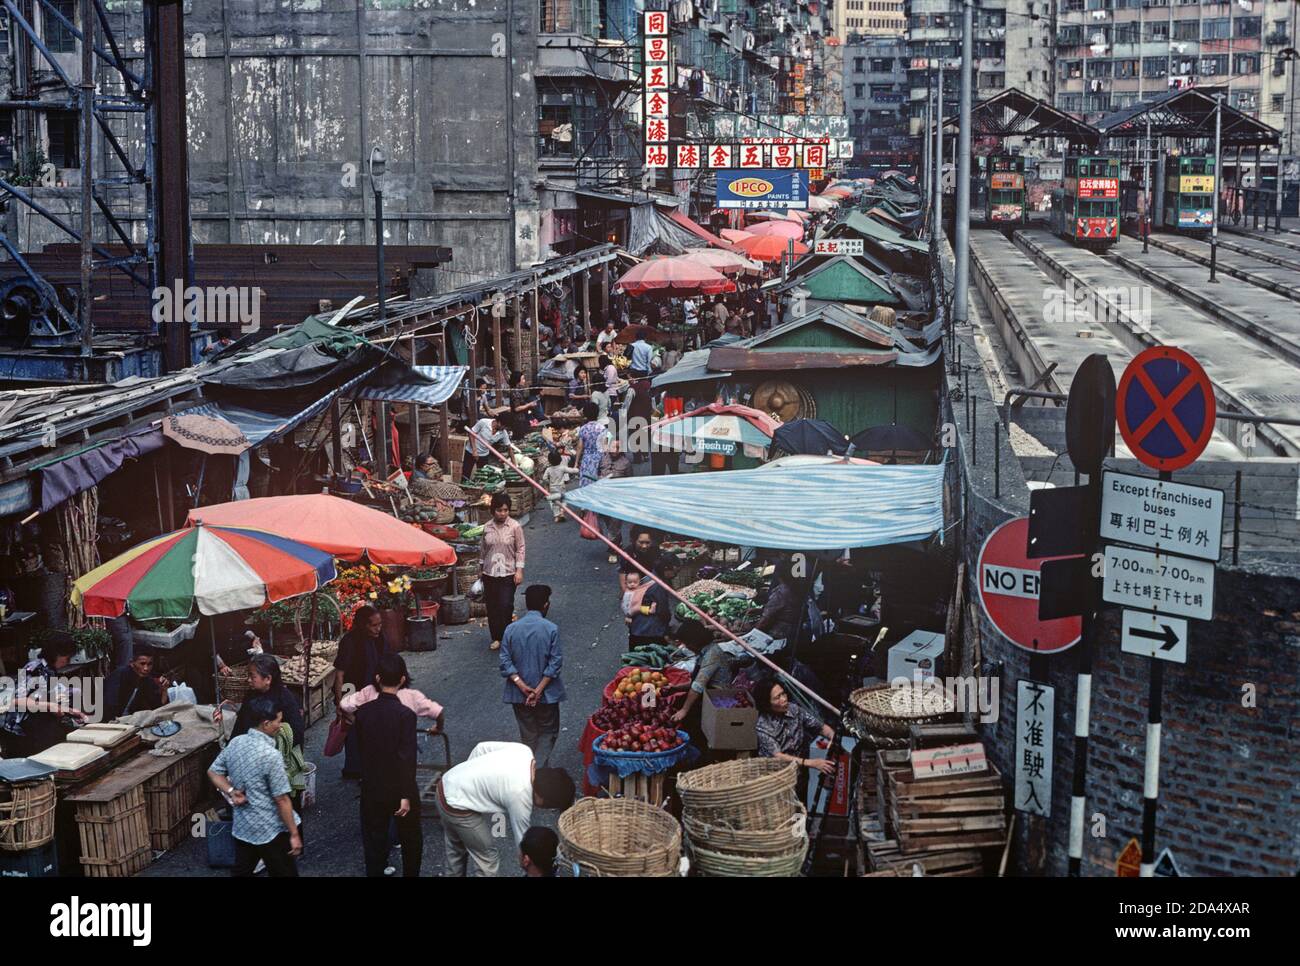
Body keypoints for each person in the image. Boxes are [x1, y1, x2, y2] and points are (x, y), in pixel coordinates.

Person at [435, 741, 574, 877]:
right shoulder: (520, 795)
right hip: (456, 806)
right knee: (487, 857)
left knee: (456, 847)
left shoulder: (524, 752)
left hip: (447, 782)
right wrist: (529, 866)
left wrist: (470, 779)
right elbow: (524, 842)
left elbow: (481, 748)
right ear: (543, 798)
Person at [207, 696, 303, 877]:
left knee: (241, 871)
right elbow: (281, 799)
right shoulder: (270, 755)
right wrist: (294, 833)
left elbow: (213, 772)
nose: (280, 725)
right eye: (278, 721)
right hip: (271, 828)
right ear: (266, 724)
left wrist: (231, 791)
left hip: (244, 826)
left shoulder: (236, 743)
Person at [354, 654, 423, 877]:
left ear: (377, 678)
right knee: (410, 838)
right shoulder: (406, 715)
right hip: (400, 787)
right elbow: (406, 757)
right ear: (403, 679)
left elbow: (361, 751)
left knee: (374, 840)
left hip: (372, 787)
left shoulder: (363, 713)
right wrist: (405, 794)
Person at [500, 584, 564, 766]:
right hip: (547, 693)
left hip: (518, 694)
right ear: (546, 605)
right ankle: (538, 770)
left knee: (528, 734)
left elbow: (505, 661)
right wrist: (538, 690)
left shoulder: (511, 629)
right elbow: (555, 664)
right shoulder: (551, 629)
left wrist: (521, 685)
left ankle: (529, 768)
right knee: (548, 731)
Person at [0, 631, 87, 758]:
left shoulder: (49, 671)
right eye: (66, 658)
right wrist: (48, 706)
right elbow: (15, 701)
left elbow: (52, 697)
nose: (67, 662)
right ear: (56, 654)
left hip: (35, 721)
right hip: (20, 728)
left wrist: (72, 711)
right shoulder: (33, 669)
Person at [753, 677, 836, 801]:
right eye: (777, 697)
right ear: (767, 704)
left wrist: (831, 737)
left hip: (800, 775)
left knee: (802, 808)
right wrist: (812, 763)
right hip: (778, 779)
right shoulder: (762, 727)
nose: (784, 699)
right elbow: (778, 756)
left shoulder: (794, 709)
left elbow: (820, 727)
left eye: (783, 693)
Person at [334, 605, 385, 780]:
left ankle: (370, 768)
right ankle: (355, 769)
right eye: (374, 625)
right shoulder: (349, 642)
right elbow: (339, 674)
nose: (378, 628)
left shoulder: (379, 638)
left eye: (380, 624)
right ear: (363, 625)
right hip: (353, 692)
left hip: (374, 692)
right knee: (353, 731)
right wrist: (340, 703)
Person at [666, 619, 741, 732]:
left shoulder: (712, 654)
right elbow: (695, 681)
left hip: (718, 699)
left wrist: (684, 711)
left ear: (693, 642)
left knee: (689, 722)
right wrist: (675, 687)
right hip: (707, 693)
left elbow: (698, 686)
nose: (686, 647)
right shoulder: (704, 652)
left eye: (686, 644)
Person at [231, 654, 306, 751]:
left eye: (253, 676)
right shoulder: (250, 696)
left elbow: (297, 733)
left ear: (268, 679)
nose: (248, 680)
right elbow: (240, 725)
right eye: (248, 675)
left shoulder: (285, 699)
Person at [481, 492, 526, 652]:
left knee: (506, 605)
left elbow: (520, 549)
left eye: (505, 510)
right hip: (489, 572)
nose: (503, 513)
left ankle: (507, 637)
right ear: (493, 511)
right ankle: (496, 638)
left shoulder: (515, 527)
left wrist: (519, 570)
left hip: (508, 572)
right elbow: (483, 549)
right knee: (492, 607)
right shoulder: (487, 527)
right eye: (499, 510)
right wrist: (481, 568)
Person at [103, 647, 169, 721]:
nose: (146, 668)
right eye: (142, 664)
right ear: (132, 663)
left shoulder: (147, 681)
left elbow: (158, 708)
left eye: (149, 664)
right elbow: (109, 705)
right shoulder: (119, 675)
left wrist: (164, 690)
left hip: (130, 720)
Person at [627, 556, 677, 648]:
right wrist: (667, 623)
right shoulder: (658, 586)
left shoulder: (648, 577)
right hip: (650, 632)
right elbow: (662, 611)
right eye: (674, 571)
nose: (675, 574)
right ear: (666, 569)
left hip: (637, 629)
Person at [754, 559, 807, 646]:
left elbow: (765, 621)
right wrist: (759, 610)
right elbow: (784, 610)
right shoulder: (797, 588)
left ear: (779, 575)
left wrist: (752, 633)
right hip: (794, 632)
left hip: (779, 635)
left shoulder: (781, 592)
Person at [596, 438, 633, 560]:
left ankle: (613, 551)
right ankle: (618, 542)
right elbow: (597, 473)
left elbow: (630, 481)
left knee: (614, 525)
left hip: (618, 499)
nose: (615, 450)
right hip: (603, 497)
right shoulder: (603, 459)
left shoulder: (626, 463)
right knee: (609, 524)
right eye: (613, 447)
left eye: (618, 447)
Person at [462, 414, 510, 482]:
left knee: (483, 476)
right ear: (498, 421)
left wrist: (514, 464)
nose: (503, 428)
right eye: (503, 426)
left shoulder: (503, 433)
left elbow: (509, 447)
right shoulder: (484, 422)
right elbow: (471, 434)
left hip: (484, 455)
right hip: (470, 451)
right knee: (466, 474)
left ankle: (478, 490)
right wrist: (474, 450)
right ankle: (463, 488)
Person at [573, 401, 608, 487]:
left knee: (587, 483)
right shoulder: (602, 428)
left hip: (587, 459)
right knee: (599, 483)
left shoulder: (584, 428)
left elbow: (580, 447)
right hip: (600, 459)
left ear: (585, 414)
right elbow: (606, 446)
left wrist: (576, 463)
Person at [541, 450, 578, 523]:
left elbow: (544, 478)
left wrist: (549, 482)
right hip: (561, 487)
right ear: (560, 459)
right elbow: (572, 471)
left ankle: (556, 516)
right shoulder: (562, 468)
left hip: (553, 488)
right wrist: (577, 469)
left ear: (549, 460)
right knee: (564, 499)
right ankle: (562, 511)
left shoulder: (548, 469)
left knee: (554, 502)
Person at [619, 528, 659, 593]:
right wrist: (624, 590)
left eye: (647, 542)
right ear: (634, 541)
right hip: (633, 580)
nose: (644, 546)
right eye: (641, 542)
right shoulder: (628, 552)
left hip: (649, 578)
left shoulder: (655, 550)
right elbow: (622, 571)